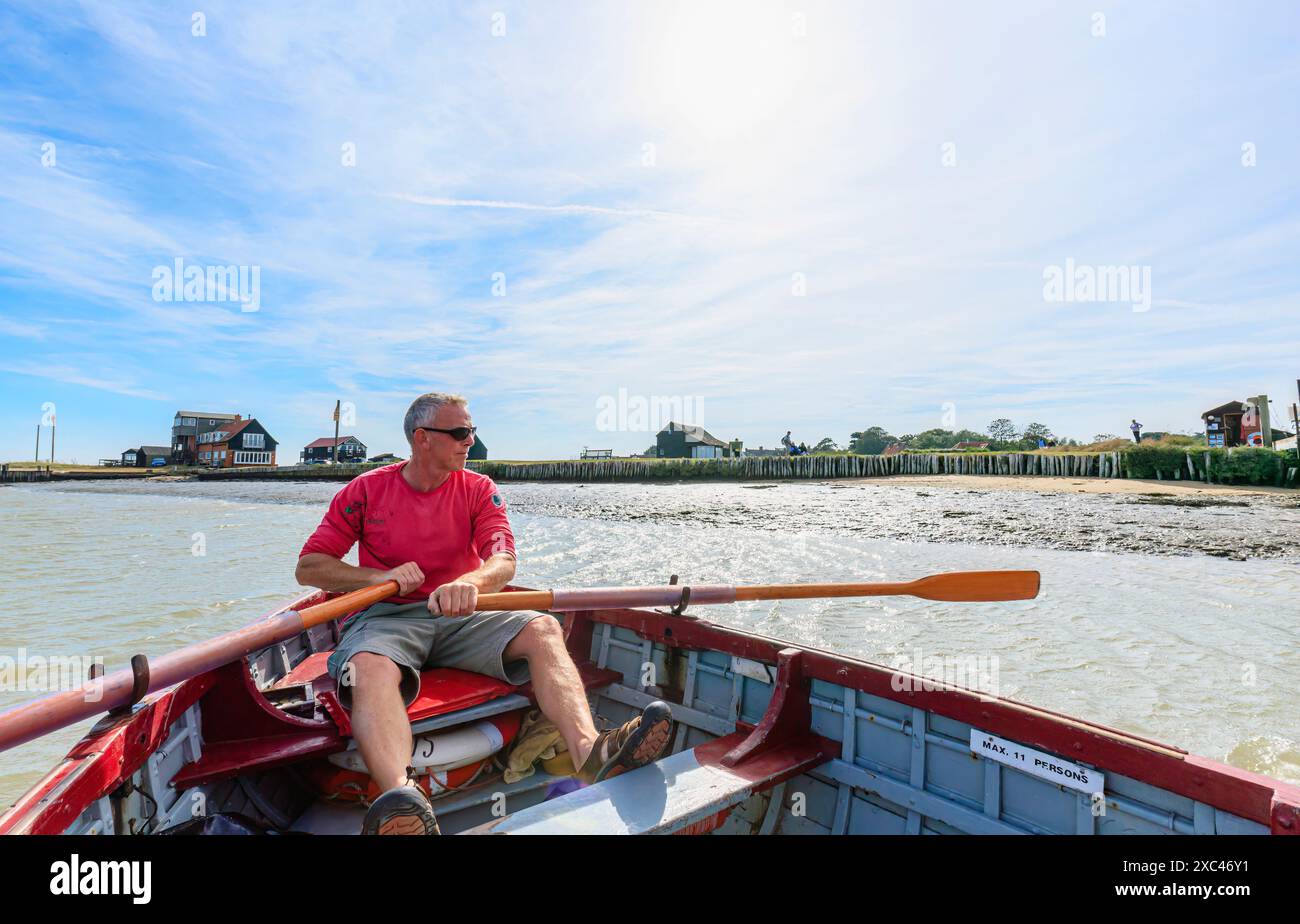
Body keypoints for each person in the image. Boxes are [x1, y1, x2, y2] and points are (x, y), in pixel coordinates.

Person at [296, 393, 672, 835]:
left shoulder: (479, 489)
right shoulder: (365, 491)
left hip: (463, 617)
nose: (470, 441)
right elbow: (310, 567)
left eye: (471, 432)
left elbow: (503, 560)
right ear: (422, 439)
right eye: (459, 433)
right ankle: (403, 801)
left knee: (544, 627)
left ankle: (592, 754)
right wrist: (381, 576)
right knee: (367, 668)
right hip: (386, 618)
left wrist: (469, 585)